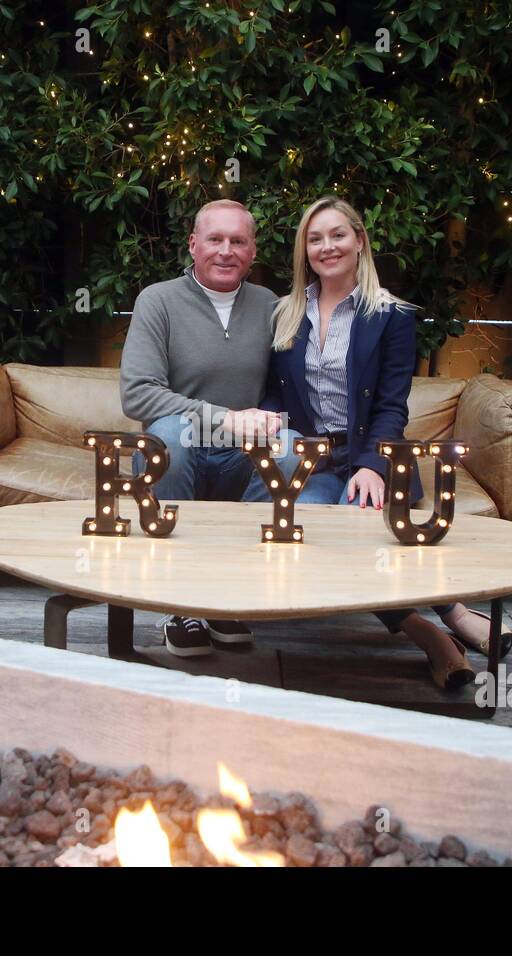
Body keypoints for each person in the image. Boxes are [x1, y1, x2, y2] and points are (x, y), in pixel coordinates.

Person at [245, 196, 511, 691]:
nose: (327, 246)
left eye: (338, 235)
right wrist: (267, 425)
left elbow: (392, 405)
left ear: (359, 240)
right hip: (312, 460)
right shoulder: (284, 314)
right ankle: (431, 628)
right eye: (315, 238)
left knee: (373, 520)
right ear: (305, 250)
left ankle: (449, 614)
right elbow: (274, 394)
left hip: (370, 452)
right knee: (321, 537)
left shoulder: (391, 315)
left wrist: (372, 465)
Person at [120, 199, 281, 658]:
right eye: (215, 239)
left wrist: (263, 420)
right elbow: (138, 394)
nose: (226, 251)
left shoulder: (269, 305)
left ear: (252, 251)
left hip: (238, 458)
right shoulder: (158, 301)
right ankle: (178, 601)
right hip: (176, 454)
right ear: (193, 245)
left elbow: (286, 386)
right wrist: (224, 417)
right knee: (169, 436)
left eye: (238, 241)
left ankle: (228, 594)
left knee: (288, 448)